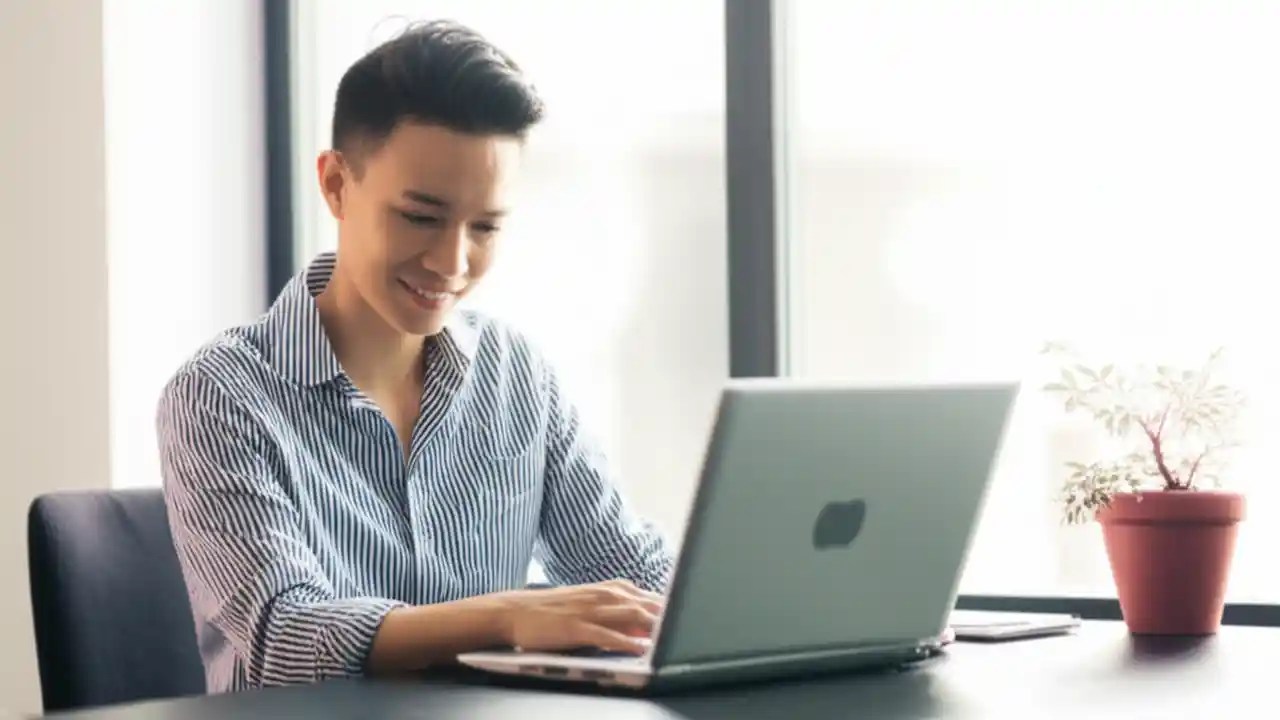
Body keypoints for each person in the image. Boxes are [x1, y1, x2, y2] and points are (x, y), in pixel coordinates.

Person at [157, 20, 672, 692]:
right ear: (336, 185)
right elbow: (282, 641)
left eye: (485, 226)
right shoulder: (219, 396)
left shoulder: (517, 376)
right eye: (421, 217)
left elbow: (631, 572)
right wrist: (507, 616)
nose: (452, 262)